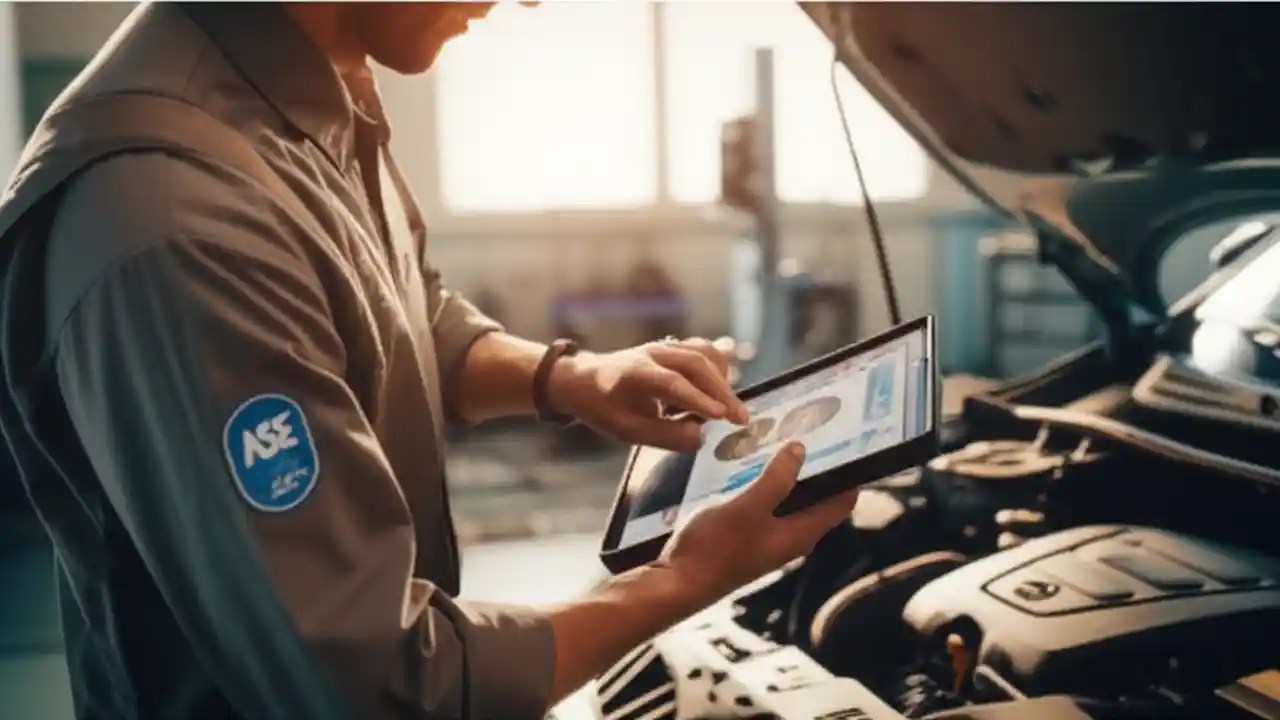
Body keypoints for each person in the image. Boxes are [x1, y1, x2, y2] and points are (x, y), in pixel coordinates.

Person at [0, 4, 860, 720]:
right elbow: (384, 688)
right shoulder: (176, 222)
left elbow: (399, 307)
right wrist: (687, 578)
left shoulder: (316, 91)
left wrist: (565, 379)